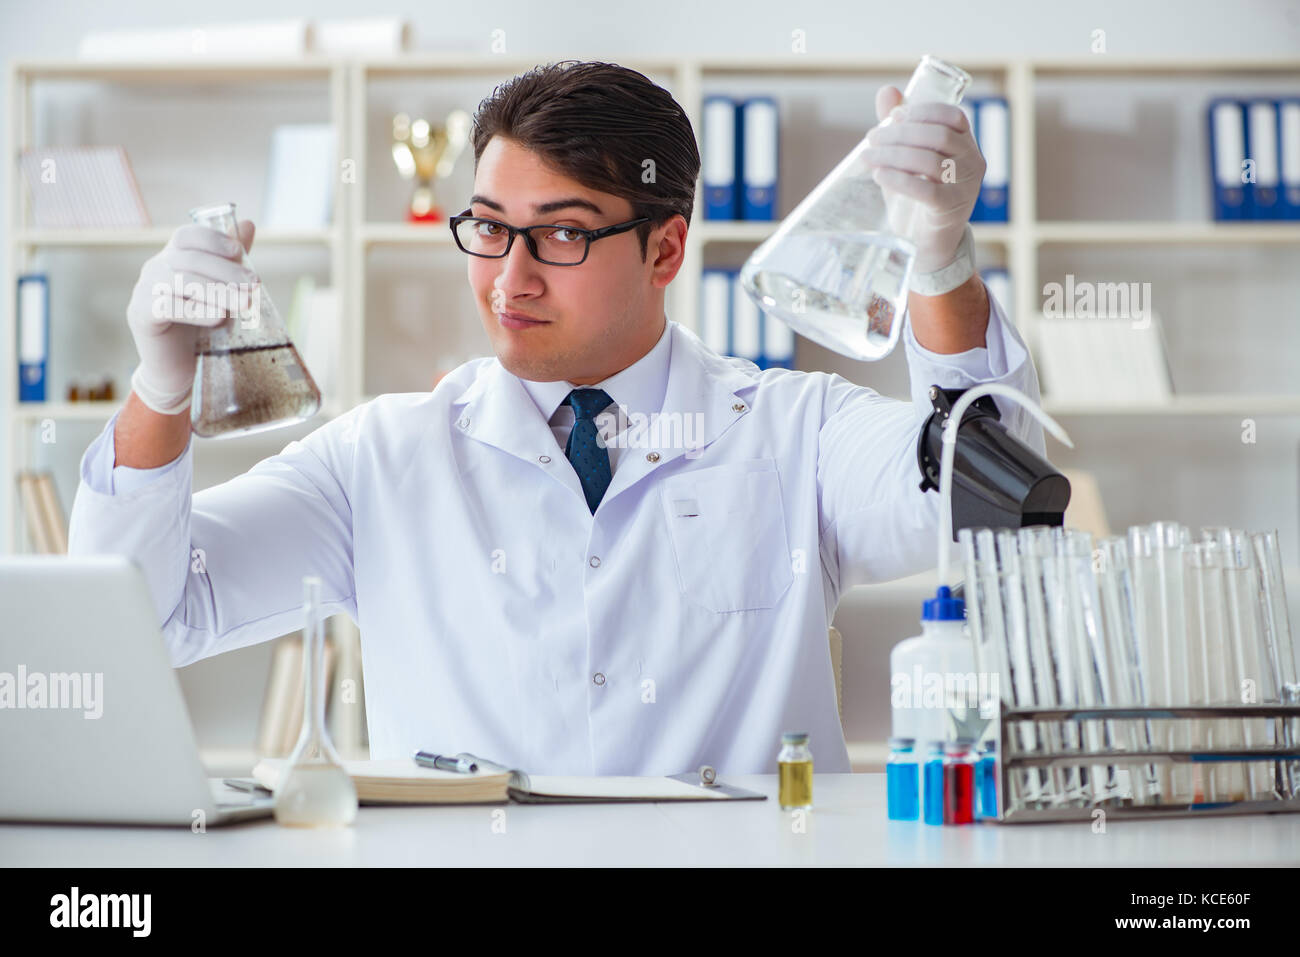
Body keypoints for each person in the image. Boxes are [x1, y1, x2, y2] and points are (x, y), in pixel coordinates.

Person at [69, 61, 1046, 775]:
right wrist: (159, 398)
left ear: (666, 251)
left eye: (564, 233)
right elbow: (151, 618)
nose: (509, 277)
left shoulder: (792, 433)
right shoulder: (383, 460)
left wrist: (940, 262)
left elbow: (983, 500)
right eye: (489, 228)